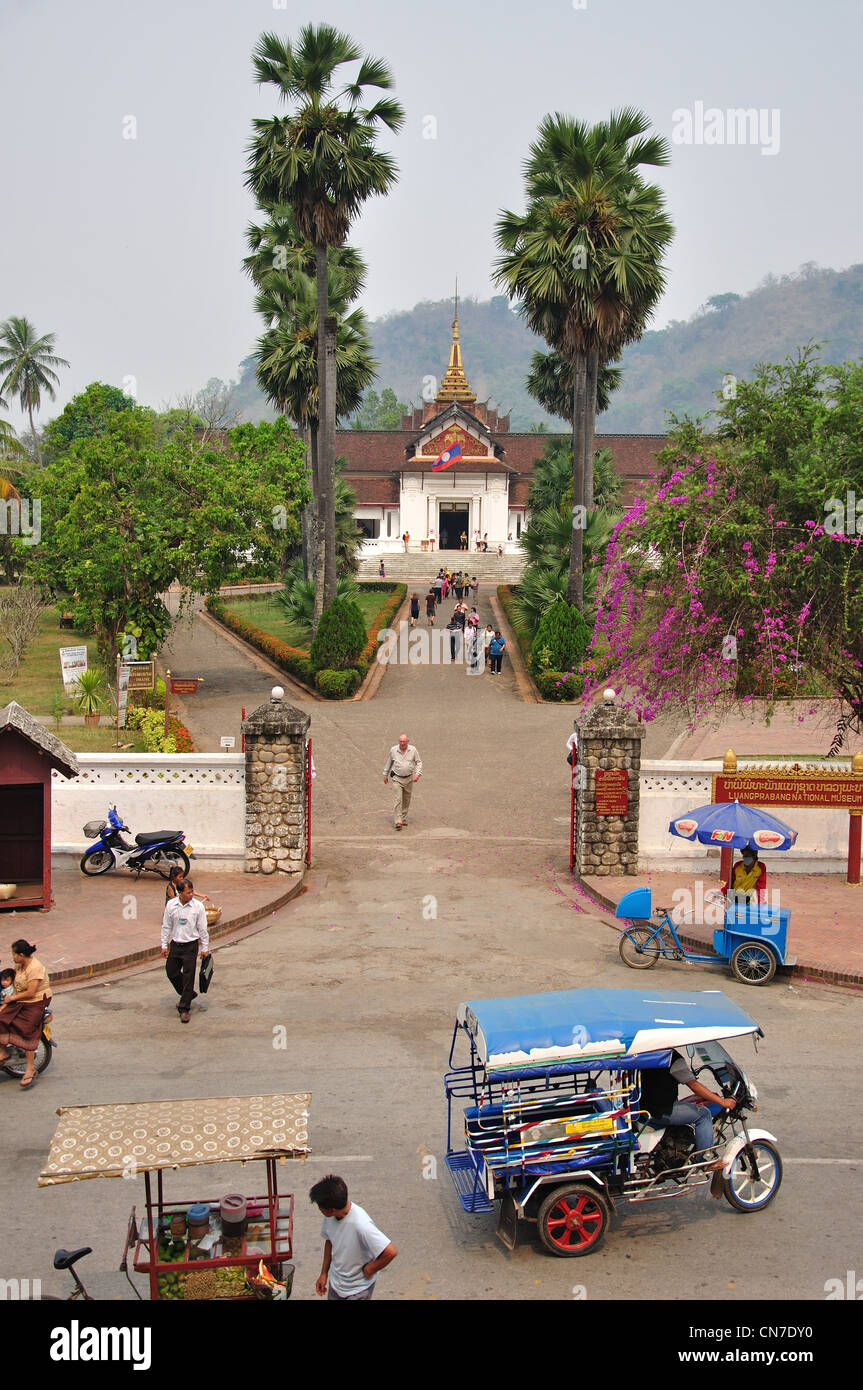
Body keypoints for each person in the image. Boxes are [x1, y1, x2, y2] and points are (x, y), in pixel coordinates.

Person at [639, 1049, 736, 1189]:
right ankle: (704, 1162)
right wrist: (722, 1102)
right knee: (703, 1114)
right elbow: (694, 1085)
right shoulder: (673, 1058)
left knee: (690, 1106)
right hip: (662, 1111)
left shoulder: (651, 1052)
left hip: (646, 1108)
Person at [310, 1174, 397, 1301]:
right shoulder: (330, 1217)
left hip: (358, 1290)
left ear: (331, 1210)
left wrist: (370, 1269)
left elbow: (390, 1252)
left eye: (320, 1207)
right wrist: (324, 1273)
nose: (319, 1209)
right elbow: (329, 1240)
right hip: (336, 1284)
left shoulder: (361, 1224)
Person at [0, 940, 52, 1088]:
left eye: (14, 954)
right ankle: (3, 1051)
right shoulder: (19, 965)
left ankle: (30, 1068)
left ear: (21, 955)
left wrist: (12, 999)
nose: (13, 957)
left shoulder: (35, 968)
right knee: (2, 1018)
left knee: (26, 1030)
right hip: (21, 1000)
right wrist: (6, 1004)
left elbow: (31, 992)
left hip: (36, 1002)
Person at [160, 878, 210, 1022]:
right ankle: (188, 994)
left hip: (191, 946)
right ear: (180, 893)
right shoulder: (171, 905)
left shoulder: (197, 907)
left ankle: (184, 1008)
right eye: (188, 893)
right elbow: (166, 926)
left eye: (192, 892)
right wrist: (164, 945)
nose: (191, 895)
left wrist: (204, 948)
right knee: (171, 971)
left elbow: (202, 928)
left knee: (189, 977)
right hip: (175, 944)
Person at [383, 732, 422, 830]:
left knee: (406, 799)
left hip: (409, 778)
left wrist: (417, 774)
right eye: (400, 741)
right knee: (398, 799)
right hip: (397, 778)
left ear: (408, 742)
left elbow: (419, 762)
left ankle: (403, 817)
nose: (402, 743)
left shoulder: (413, 750)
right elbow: (389, 762)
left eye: (404, 741)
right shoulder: (393, 750)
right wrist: (385, 774)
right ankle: (398, 821)